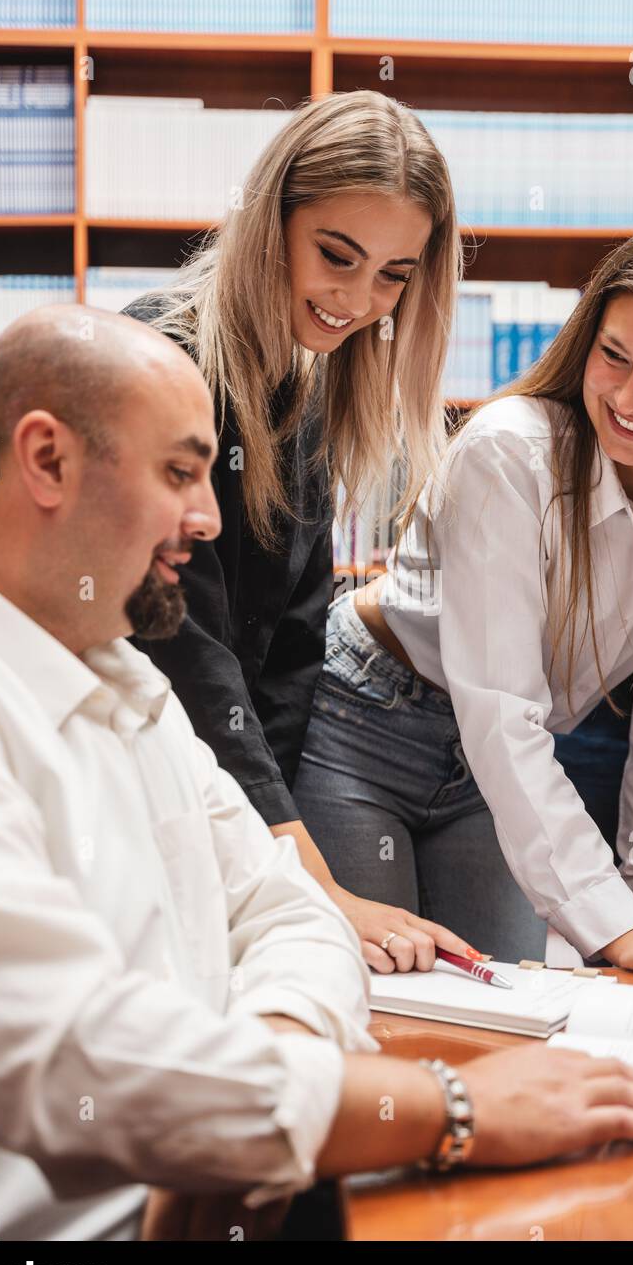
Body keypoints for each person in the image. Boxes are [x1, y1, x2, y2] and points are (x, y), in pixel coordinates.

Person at [0, 306, 633, 1240]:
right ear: (46, 460)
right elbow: (82, 1058)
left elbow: (290, 908)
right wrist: (452, 1110)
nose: (208, 519)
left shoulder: (124, 672)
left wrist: (254, 1091)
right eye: (179, 473)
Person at [293, 215, 633, 982]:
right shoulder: (511, 451)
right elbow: (499, 709)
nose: (631, 397)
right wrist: (617, 926)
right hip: (364, 728)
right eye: (614, 356)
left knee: (512, 1011)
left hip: (490, 774)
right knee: (383, 991)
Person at [123, 88, 480, 974]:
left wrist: (281, 862)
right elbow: (188, 646)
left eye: (394, 274)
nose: (357, 300)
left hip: (224, 796)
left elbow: (288, 650)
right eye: (336, 254)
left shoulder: (311, 380)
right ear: (269, 220)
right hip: (136, 770)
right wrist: (308, 881)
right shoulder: (162, 359)